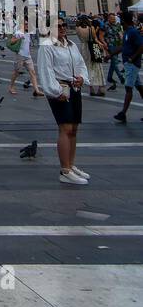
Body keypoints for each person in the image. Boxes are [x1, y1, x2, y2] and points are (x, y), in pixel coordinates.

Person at [37, 17, 89, 183]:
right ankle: (65, 170)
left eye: (64, 25)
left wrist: (82, 77)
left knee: (74, 128)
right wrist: (55, 91)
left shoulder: (71, 45)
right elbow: (46, 71)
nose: (62, 28)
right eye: (58, 26)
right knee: (65, 128)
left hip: (75, 87)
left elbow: (80, 63)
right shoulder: (47, 46)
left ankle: (71, 165)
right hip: (60, 89)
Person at [113, 16, 143, 124]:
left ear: (126, 22)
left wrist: (132, 57)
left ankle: (123, 113)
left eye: (122, 22)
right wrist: (111, 55)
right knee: (139, 87)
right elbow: (123, 47)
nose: (121, 24)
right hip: (128, 63)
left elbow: (141, 46)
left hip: (132, 64)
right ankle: (123, 114)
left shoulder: (133, 32)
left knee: (128, 88)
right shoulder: (127, 32)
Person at [7, 30, 42, 97]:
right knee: (16, 72)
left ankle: (37, 90)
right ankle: (11, 87)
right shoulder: (18, 33)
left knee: (33, 72)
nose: (27, 25)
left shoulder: (28, 33)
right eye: (25, 24)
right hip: (20, 55)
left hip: (28, 56)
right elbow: (11, 42)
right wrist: (19, 38)